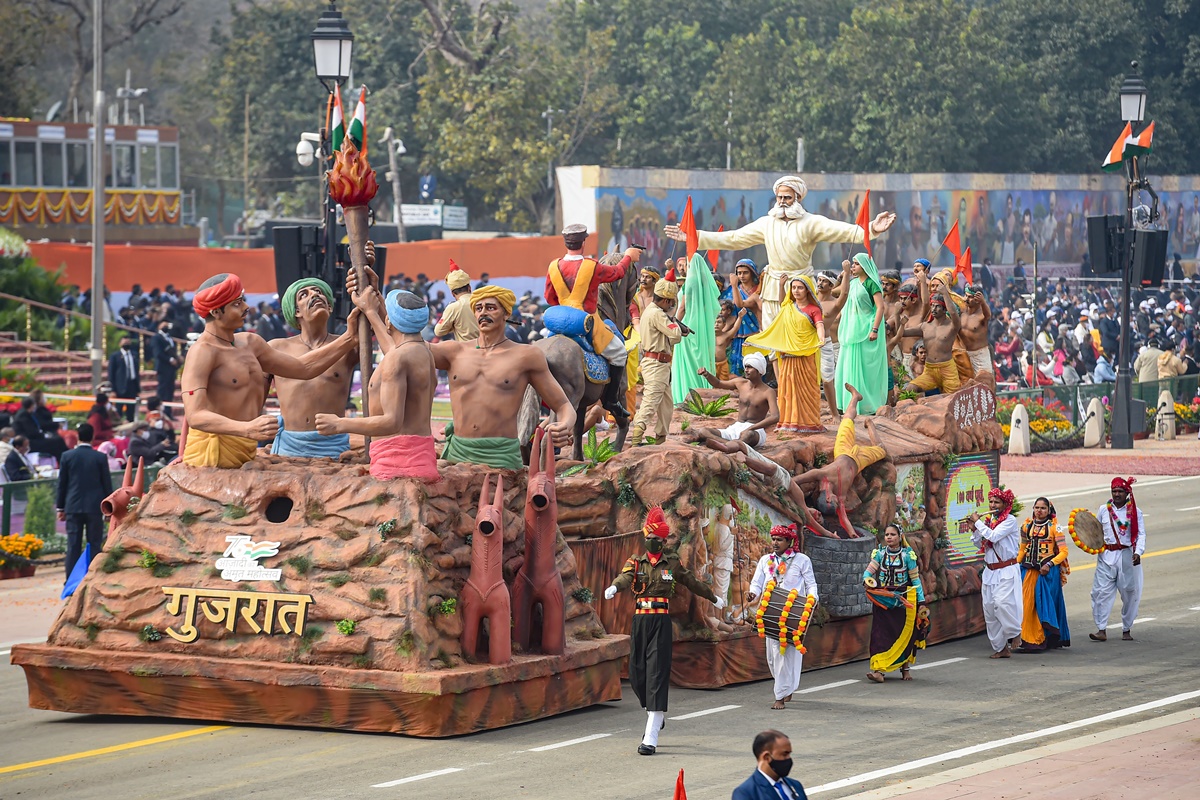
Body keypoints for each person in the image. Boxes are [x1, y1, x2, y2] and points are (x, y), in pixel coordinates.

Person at [664, 175, 896, 329]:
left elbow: (844, 231)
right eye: (779, 197)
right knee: (774, 343)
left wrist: (872, 229)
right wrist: (693, 236)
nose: (783, 202)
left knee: (802, 336)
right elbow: (733, 238)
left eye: (787, 197)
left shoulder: (811, 222)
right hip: (774, 289)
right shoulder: (767, 223)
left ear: (798, 198)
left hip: (801, 288)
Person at [180, 273, 358, 468]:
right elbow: (195, 415)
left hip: (247, 449)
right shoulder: (202, 352)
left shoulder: (252, 343)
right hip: (214, 453)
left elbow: (303, 368)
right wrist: (246, 428)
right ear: (216, 312)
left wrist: (349, 338)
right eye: (237, 304)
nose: (247, 308)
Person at [603, 507, 723, 755]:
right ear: (645, 538)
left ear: (664, 540)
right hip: (640, 621)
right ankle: (654, 714)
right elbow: (625, 578)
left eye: (659, 539)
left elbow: (692, 582)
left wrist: (713, 598)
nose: (655, 542)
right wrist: (615, 588)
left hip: (660, 622)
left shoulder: (672, 562)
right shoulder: (636, 562)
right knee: (637, 675)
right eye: (651, 538)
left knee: (657, 674)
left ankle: (651, 736)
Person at [430, 285, 576, 468]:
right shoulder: (453, 351)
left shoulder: (526, 356)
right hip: (457, 453)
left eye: (491, 308)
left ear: (506, 314)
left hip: (501, 457)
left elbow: (563, 405)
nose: (483, 312)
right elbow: (408, 349)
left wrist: (564, 424)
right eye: (479, 308)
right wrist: (381, 309)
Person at [316, 289, 440, 482]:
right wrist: (372, 312)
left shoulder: (397, 358)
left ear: (390, 321)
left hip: (396, 464)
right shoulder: (423, 353)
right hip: (420, 457)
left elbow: (392, 421)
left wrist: (339, 424)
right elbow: (393, 350)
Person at [545, 223, 642, 419]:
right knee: (619, 353)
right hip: (588, 323)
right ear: (583, 242)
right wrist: (629, 257)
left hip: (559, 323)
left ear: (566, 242)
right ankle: (612, 400)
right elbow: (618, 273)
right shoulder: (592, 266)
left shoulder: (553, 266)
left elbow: (549, 298)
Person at [270, 275, 363, 458]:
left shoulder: (352, 345)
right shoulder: (276, 348)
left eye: (320, 292)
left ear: (329, 307)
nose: (315, 295)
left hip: (333, 447)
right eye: (304, 294)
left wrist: (366, 283)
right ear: (296, 311)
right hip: (288, 448)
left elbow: (389, 340)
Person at [792, 384, 885, 538]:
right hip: (858, 461)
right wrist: (852, 533)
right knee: (881, 450)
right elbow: (843, 518)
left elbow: (794, 481)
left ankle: (855, 397)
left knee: (847, 420)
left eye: (833, 500)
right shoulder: (840, 497)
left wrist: (784, 489)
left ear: (828, 498)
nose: (837, 500)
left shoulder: (821, 474)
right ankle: (870, 425)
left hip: (842, 451)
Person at [747, 523, 819, 709]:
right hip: (770, 612)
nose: (775, 543)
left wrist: (812, 601)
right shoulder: (765, 560)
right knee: (772, 657)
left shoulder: (801, 560)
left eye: (779, 539)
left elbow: (811, 584)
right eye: (773, 539)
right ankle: (786, 687)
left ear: (789, 541)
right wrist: (752, 593)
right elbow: (757, 583)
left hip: (793, 612)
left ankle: (779, 696)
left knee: (786, 654)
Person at [746, 275, 825, 433]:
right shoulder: (788, 308)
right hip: (788, 355)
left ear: (808, 290)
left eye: (800, 287)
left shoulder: (813, 309)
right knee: (788, 388)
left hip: (806, 354)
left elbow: (819, 326)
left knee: (807, 389)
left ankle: (809, 423)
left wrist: (821, 338)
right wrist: (782, 286)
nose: (796, 291)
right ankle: (788, 422)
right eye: (793, 287)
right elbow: (783, 306)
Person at [863, 523, 927, 682]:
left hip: (903, 600)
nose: (889, 537)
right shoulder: (879, 554)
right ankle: (879, 671)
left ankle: (905, 669)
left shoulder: (908, 556)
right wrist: (867, 581)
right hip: (883, 599)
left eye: (892, 534)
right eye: (887, 535)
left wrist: (922, 601)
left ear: (900, 536)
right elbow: (868, 572)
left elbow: (915, 580)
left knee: (904, 635)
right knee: (879, 635)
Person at [969, 487, 1024, 658]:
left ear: (1005, 504)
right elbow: (980, 545)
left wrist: (978, 523)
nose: (993, 505)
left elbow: (993, 537)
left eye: (997, 502)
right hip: (990, 571)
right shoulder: (989, 521)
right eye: (991, 501)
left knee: (1002, 603)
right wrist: (974, 529)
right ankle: (1001, 648)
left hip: (1006, 570)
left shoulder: (1010, 521)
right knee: (990, 610)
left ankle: (1015, 633)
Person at [1090, 477, 1145, 642]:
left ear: (1127, 493)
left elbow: (1141, 533)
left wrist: (1138, 552)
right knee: (1100, 593)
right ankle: (1101, 629)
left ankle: (1126, 628)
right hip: (1106, 556)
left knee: (1130, 593)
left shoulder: (1136, 511)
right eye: (1114, 491)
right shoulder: (1103, 510)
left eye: (1120, 491)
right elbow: (1095, 531)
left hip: (1127, 556)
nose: (1116, 494)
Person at [56, 422, 113, 580]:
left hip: (73, 506)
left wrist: (60, 508)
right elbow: (106, 484)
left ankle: (71, 580)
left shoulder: (67, 456)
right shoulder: (100, 457)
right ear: (93, 437)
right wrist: (109, 509)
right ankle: (93, 578)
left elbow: (62, 484)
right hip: (95, 507)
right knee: (94, 544)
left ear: (77, 437)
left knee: (73, 545)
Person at [630, 279, 683, 447]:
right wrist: (678, 326)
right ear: (666, 300)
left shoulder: (650, 311)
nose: (672, 305)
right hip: (656, 364)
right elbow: (676, 335)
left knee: (666, 404)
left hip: (657, 363)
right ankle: (636, 438)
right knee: (651, 401)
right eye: (671, 302)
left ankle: (660, 439)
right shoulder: (658, 314)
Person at [690, 352, 779, 449]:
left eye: (750, 367)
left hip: (755, 431)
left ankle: (730, 445)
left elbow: (775, 416)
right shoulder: (740, 383)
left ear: (759, 371)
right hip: (736, 427)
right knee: (703, 431)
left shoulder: (768, 391)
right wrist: (707, 374)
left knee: (748, 435)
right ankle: (731, 445)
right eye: (745, 367)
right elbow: (718, 383)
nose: (746, 370)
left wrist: (751, 427)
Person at [1016, 497, 1070, 653]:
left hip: (1046, 573)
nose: (1039, 511)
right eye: (1036, 508)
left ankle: (1039, 639)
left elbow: (1063, 552)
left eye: (1043, 508)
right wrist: (1014, 566)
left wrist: (1049, 564)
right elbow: (1023, 549)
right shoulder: (1026, 526)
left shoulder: (1055, 528)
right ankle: (1027, 639)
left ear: (1049, 511)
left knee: (1041, 605)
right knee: (1026, 605)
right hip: (1028, 571)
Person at [836, 254, 888, 414]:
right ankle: (847, 403)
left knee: (864, 369)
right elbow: (835, 292)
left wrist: (875, 329)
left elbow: (880, 307)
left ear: (865, 266)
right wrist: (844, 276)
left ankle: (866, 405)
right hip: (851, 330)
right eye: (853, 264)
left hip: (865, 330)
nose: (853, 267)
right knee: (847, 365)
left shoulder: (871, 284)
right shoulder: (852, 283)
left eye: (856, 264)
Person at [899, 283, 962, 395]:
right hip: (929, 371)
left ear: (944, 308)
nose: (933, 308)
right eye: (932, 305)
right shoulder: (924, 326)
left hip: (947, 369)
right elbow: (902, 333)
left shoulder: (952, 326)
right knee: (910, 388)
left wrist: (945, 294)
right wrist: (898, 319)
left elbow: (953, 313)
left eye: (937, 306)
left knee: (954, 398)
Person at [731, 730, 808, 800]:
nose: (788, 759)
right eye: (784, 754)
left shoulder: (795, 785)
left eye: (789, 754)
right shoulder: (746, 793)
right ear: (767, 757)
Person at [815, 270, 849, 423]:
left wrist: (846, 273)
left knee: (828, 380)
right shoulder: (810, 300)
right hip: (808, 343)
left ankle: (835, 413)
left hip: (827, 343)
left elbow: (845, 293)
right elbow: (787, 305)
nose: (820, 283)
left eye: (824, 281)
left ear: (831, 285)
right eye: (819, 280)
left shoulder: (834, 304)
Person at [721, 258, 763, 375]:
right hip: (736, 334)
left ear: (752, 273)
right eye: (739, 273)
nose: (742, 276)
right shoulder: (731, 291)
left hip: (755, 334)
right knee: (736, 365)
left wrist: (734, 285)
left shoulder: (759, 291)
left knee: (755, 366)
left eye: (745, 272)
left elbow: (740, 304)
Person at [433, 261, 480, 341]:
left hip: (466, 351)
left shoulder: (453, 307)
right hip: (487, 349)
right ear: (469, 287)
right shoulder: (482, 302)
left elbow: (438, 332)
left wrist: (454, 326)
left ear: (453, 294)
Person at [960, 284, 994, 378]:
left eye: (970, 297)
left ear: (977, 299)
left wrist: (983, 302)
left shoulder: (982, 314)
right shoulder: (961, 311)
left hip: (980, 355)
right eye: (966, 295)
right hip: (963, 355)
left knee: (984, 383)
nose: (966, 299)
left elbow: (988, 316)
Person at [107, 335, 141, 421]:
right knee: (119, 411)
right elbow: (111, 373)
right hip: (120, 387)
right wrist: (113, 389)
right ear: (120, 344)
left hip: (132, 385)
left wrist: (137, 389)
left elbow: (137, 372)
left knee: (131, 411)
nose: (126, 343)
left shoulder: (134, 355)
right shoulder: (115, 356)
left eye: (128, 342)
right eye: (124, 342)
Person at [151, 320, 180, 418]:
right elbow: (158, 353)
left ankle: (168, 412)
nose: (166, 325)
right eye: (164, 323)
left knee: (170, 390)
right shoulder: (156, 338)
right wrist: (170, 359)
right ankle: (159, 412)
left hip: (171, 369)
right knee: (162, 390)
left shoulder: (169, 337)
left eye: (167, 323)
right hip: (163, 368)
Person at [714, 301, 748, 380]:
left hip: (722, 364)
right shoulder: (708, 336)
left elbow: (735, 328)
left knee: (724, 383)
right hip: (711, 364)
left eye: (719, 322)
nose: (716, 324)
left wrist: (740, 317)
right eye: (714, 322)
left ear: (724, 325)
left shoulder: (725, 336)